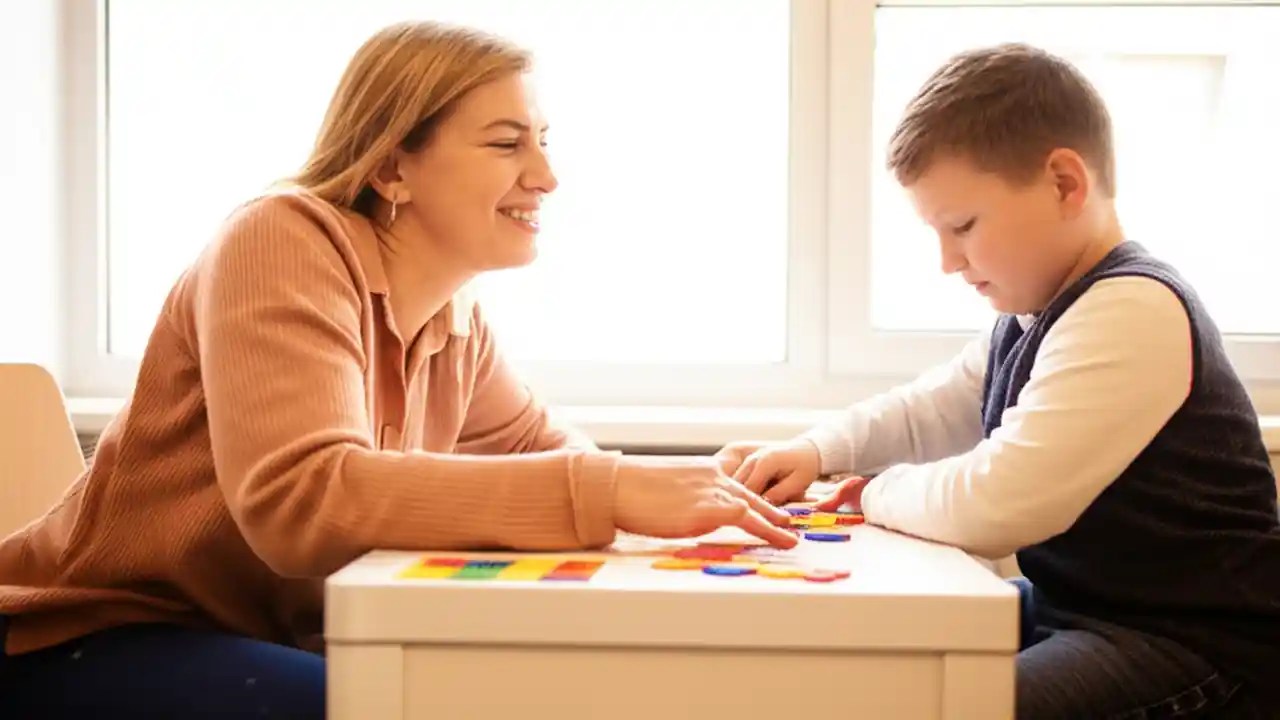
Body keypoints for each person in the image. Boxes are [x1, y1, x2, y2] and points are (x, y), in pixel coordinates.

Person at [0, 20, 795, 718]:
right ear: (391, 169)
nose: (546, 177)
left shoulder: (454, 320)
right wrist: (614, 489)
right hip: (87, 635)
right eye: (506, 143)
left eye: (543, 141)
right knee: (397, 706)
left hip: (250, 642)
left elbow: (545, 455)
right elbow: (300, 497)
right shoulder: (280, 240)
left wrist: (698, 491)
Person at [717, 43, 1280, 719]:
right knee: (886, 655)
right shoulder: (1037, 314)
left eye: (963, 226)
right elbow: (932, 410)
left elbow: (998, 503)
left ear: (1064, 184)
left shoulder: (1132, 310)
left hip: (1193, 644)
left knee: (942, 705)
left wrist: (872, 493)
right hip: (1081, 614)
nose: (948, 261)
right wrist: (817, 450)